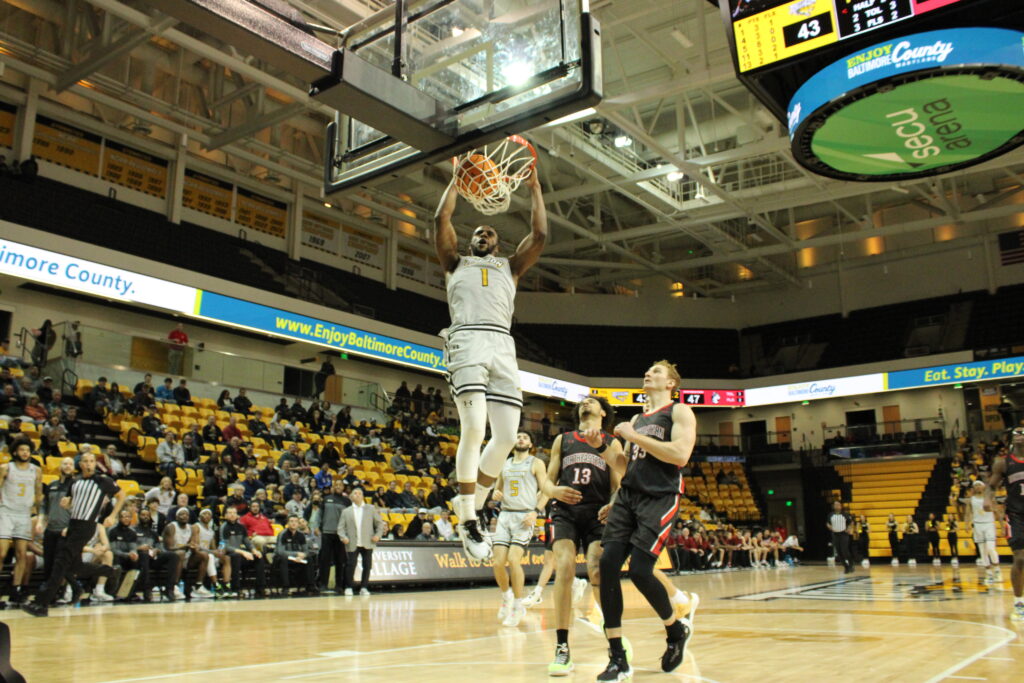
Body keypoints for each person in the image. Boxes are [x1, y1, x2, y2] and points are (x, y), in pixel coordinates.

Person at [433, 163, 547, 561]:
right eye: (478, 233)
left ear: (498, 245)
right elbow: (441, 217)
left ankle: (475, 507)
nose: (482, 235)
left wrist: (534, 188)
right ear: (471, 242)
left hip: (502, 344)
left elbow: (540, 235)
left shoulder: (511, 268)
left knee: (504, 438)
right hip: (467, 339)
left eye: (489, 233)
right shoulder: (455, 263)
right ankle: (467, 519)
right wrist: (456, 180)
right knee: (474, 428)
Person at [596, 361, 696, 681]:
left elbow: (679, 455)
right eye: (648, 371)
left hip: (660, 496)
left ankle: (674, 630)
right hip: (628, 497)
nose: (648, 374)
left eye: (656, 371)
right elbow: (626, 466)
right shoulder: (637, 419)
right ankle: (617, 656)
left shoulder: (679, 412)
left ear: (671, 383)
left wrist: (633, 436)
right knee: (607, 566)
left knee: (640, 570)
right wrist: (600, 445)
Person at [22, 451, 127, 617]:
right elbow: (71, 503)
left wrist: (112, 515)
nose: (89, 464)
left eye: (92, 461)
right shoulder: (75, 482)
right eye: (85, 461)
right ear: (80, 464)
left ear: (95, 464)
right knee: (75, 566)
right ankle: (108, 571)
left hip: (86, 526)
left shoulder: (103, 481)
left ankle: (41, 603)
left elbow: (122, 495)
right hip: (72, 525)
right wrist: (67, 503)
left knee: (60, 563)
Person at [490, 431, 547, 627]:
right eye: (518, 436)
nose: (521, 438)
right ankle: (506, 597)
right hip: (505, 515)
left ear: (530, 443)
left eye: (525, 436)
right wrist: (495, 494)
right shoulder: (504, 464)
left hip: (525, 516)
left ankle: (517, 605)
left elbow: (546, 490)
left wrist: (536, 511)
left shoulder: (536, 463)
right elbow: (498, 489)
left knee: (514, 560)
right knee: (497, 563)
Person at [0, 439, 43, 604]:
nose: (25, 452)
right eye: (22, 449)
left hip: (24, 514)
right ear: (15, 452)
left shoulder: (36, 470)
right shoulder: (6, 468)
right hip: (6, 512)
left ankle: (15, 589)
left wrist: (38, 516)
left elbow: (38, 494)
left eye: (27, 450)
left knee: (21, 554)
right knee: (1, 553)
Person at [989, 428, 1024, 621]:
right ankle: (1019, 603)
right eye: (1015, 434)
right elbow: (991, 486)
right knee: (1020, 558)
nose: (1019, 435)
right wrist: (988, 499)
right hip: (1016, 515)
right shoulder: (1003, 463)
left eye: (1022, 433)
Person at [338, 487, 387, 596]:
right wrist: (343, 537)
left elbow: (380, 524)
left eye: (360, 493)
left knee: (367, 565)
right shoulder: (346, 511)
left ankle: (364, 587)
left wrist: (378, 535)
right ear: (351, 497)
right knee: (350, 565)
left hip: (368, 542)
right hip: (352, 542)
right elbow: (340, 528)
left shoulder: (371, 509)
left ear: (363, 496)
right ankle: (349, 587)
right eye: (355, 493)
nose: (358, 495)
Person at [37, 456, 74, 591]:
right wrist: (40, 521)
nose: (68, 466)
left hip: (66, 530)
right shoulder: (51, 485)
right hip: (50, 529)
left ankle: (59, 589)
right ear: (60, 467)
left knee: (60, 562)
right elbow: (44, 505)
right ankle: (46, 588)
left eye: (70, 464)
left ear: (74, 468)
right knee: (49, 560)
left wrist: (70, 527)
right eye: (65, 464)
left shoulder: (76, 486)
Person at [219, 505, 267, 598]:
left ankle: (260, 588)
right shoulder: (223, 527)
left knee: (259, 557)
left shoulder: (241, 527)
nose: (232, 515)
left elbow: (247, 542)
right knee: (236, 557)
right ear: (225, 515)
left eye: (234, 513)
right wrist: (242, 552)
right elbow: (225, 546)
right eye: (230, 513)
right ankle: (236, 588)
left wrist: (254, 550)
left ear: (237, 515)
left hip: (240, 553)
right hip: (228, 554)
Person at [966, 480, 1001, 585]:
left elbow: (996, 511)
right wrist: (967, 524)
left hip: (989, 523)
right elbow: (968, 513)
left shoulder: (989, 498)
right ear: (973, 488)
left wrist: (1002, 526)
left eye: (979, 485)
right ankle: (989, 573)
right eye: (975, 485)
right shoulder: (971, 500)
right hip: (977, 525)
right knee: (983, 551)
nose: (977, 487)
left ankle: (997, 568)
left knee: (991, 548)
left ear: (983, 487)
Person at [317, 480, 349, 594]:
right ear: (333, 487)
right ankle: (323, 585)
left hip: (340, 535)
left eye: (340, 485)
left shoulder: (347, 501)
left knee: (340, 560)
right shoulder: (326, 499)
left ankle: (339, 585)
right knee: (324, 560)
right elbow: (319, 514)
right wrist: (316, 526)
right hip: (326, 532)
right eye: (336, 485)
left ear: (343, 487)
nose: (338, 486)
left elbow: (350, 519)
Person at [273, 515, 316, 594]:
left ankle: (311, 586)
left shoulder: (301, 535)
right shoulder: (282, 534)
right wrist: (296, 554)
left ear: (298, 524)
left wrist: (303, 555)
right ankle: (286, 587)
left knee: (309, 559)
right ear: (288, 523)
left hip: (297, 559)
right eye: (291, 521)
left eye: (296, 521)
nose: (293, 523)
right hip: (284, 558)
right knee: (283, 559)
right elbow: (280, 551)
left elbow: (306, 551)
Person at [827, 501, 853, 574]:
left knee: (844, 550)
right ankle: (846, 567)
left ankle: (851, 564)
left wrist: (849, 529)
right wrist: (829, 527)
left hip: (843, 534)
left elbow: (850, 522)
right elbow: (828, 523)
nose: (837, 506)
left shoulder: (845, 514)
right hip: (835, 534)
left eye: (838, 505)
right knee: (839, 552)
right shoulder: (830, 515)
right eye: (835, 505)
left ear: (841, 506)